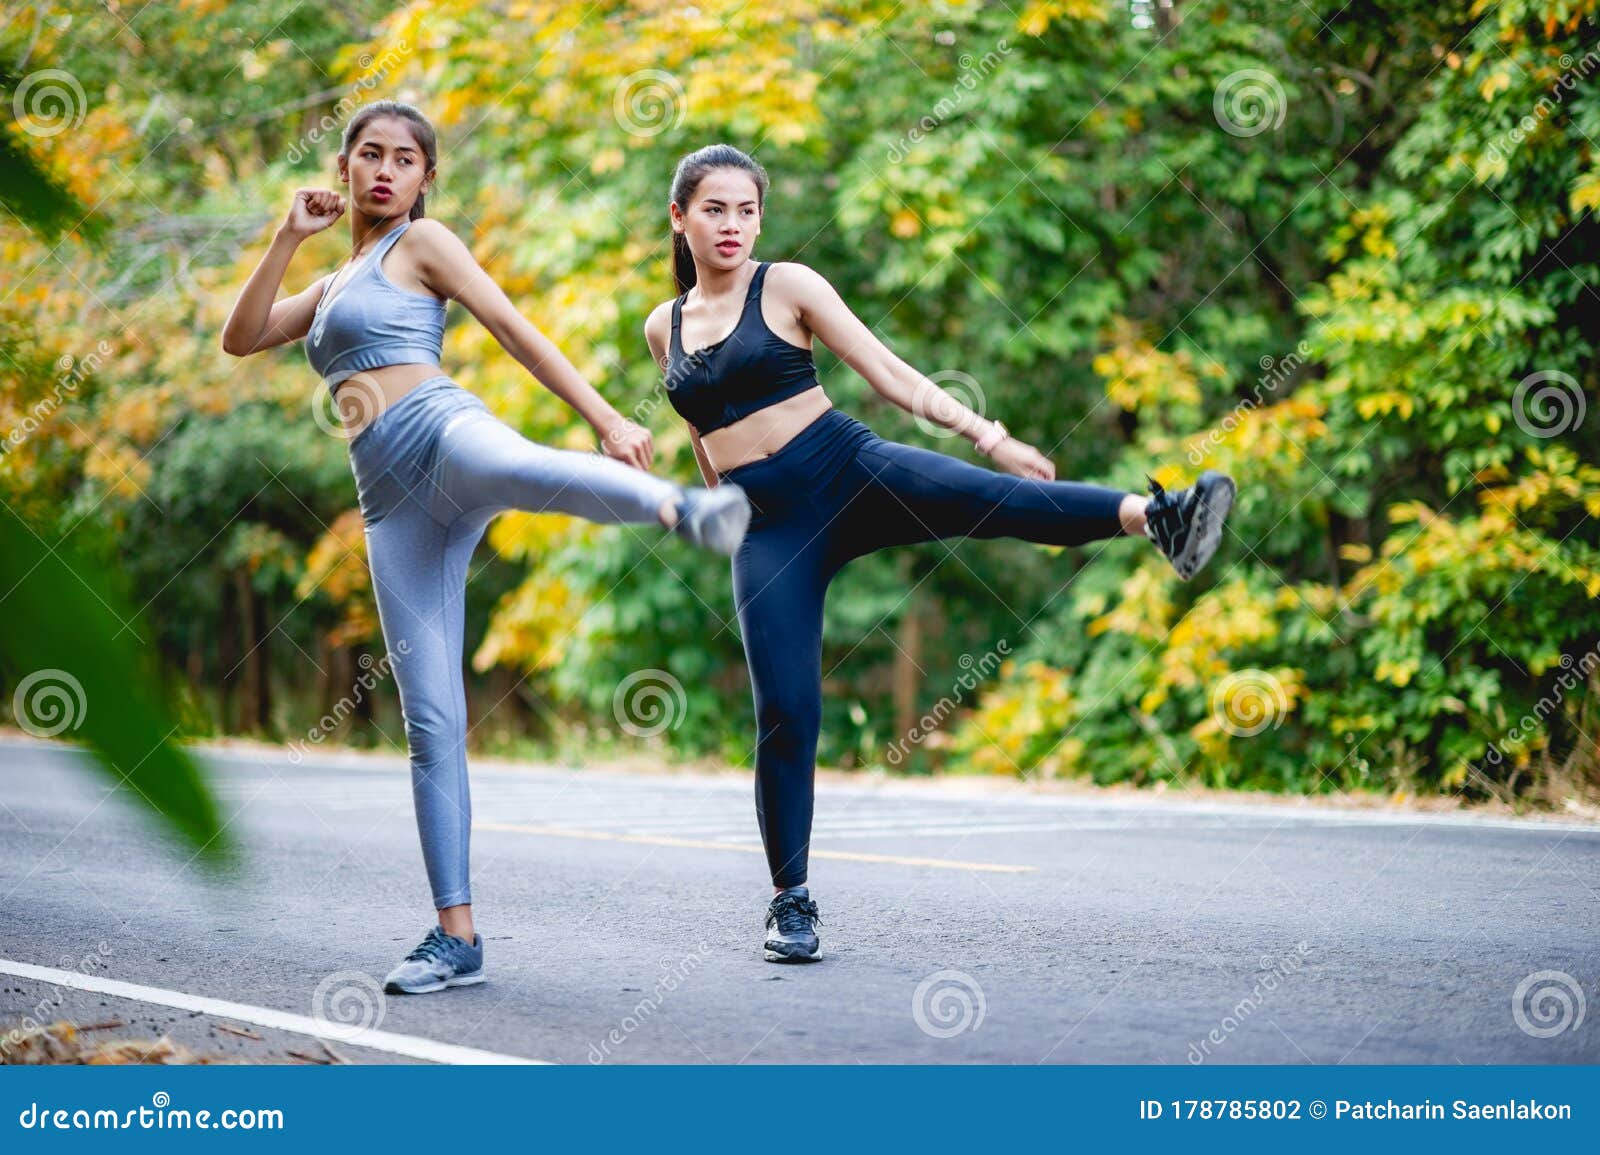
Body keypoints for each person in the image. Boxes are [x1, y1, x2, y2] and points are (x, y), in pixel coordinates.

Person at [643, 143, 1235, 963]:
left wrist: (987, 433)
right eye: (715, 209)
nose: (733, 224)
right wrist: (711, 509)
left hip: (845, 468)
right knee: (785, 711)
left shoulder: (787, 286)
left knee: (999, 504)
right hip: (766, 525)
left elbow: (888, 372)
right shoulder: (662, 327)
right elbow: (703, 434)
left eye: (747, 209)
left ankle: (1160, 516)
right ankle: (791, 902)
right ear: (680, 217)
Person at [222, 102, 750, 994]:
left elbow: (512, 328)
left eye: (406, 160)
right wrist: (286, 236)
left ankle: (687, 512)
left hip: (441, 431)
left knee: (534, 470)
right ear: (343, 168)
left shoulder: (421, 247)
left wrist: (607, 415)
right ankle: (455, 934)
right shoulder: (334, 280)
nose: (386, 171)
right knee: (431, 723)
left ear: (427, 178)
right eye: (369, 156)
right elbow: (241, 336)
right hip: (389, 506)